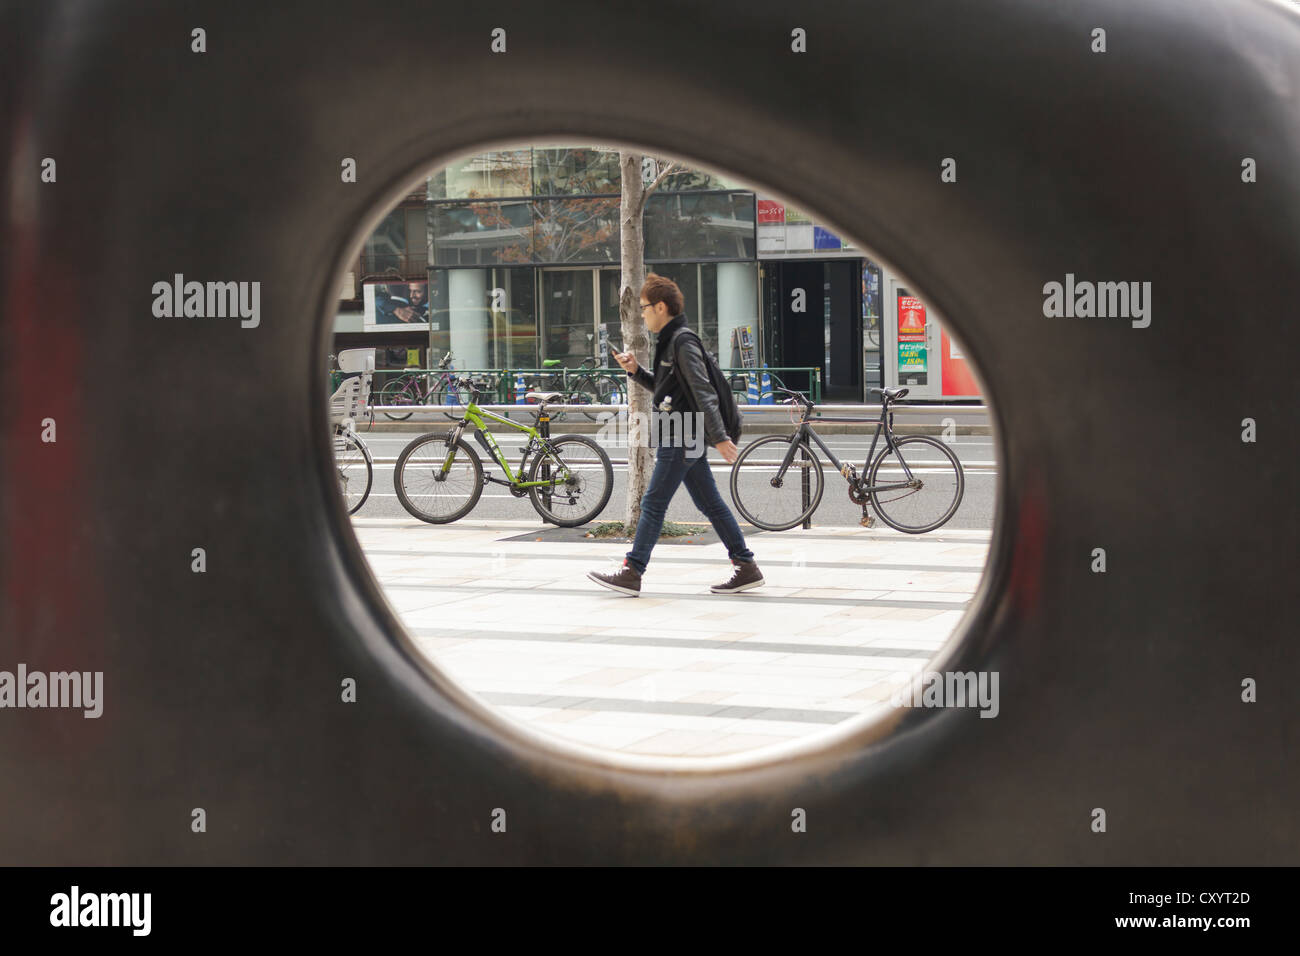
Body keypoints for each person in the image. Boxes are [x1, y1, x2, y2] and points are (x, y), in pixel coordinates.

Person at [587, 274, 763, 596]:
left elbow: (703, 392)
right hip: (680, 431)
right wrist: (636, 372)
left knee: (653, 503)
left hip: (682, 433)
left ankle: (632, 570)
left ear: (661, 307)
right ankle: (746, 565)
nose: (642, 314)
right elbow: (668, 390)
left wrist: (721, 437)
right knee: (709, 502)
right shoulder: (670, 342)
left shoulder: (682, 341)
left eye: (645, 308)